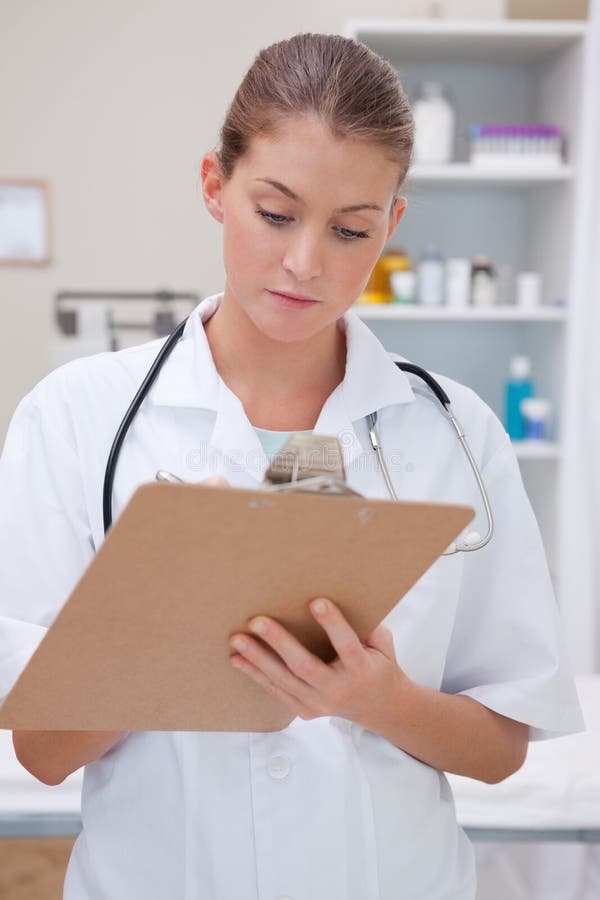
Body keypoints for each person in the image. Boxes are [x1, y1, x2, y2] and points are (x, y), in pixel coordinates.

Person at [0, 32, 584, 900]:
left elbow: (501, 747)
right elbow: (42, 754)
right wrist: (154, 615)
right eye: (276, 214)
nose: (307, 263)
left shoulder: (455, 431)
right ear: (214, 185)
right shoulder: (78, 416)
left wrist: (378, 698)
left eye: (351, 230)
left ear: (392, 224)